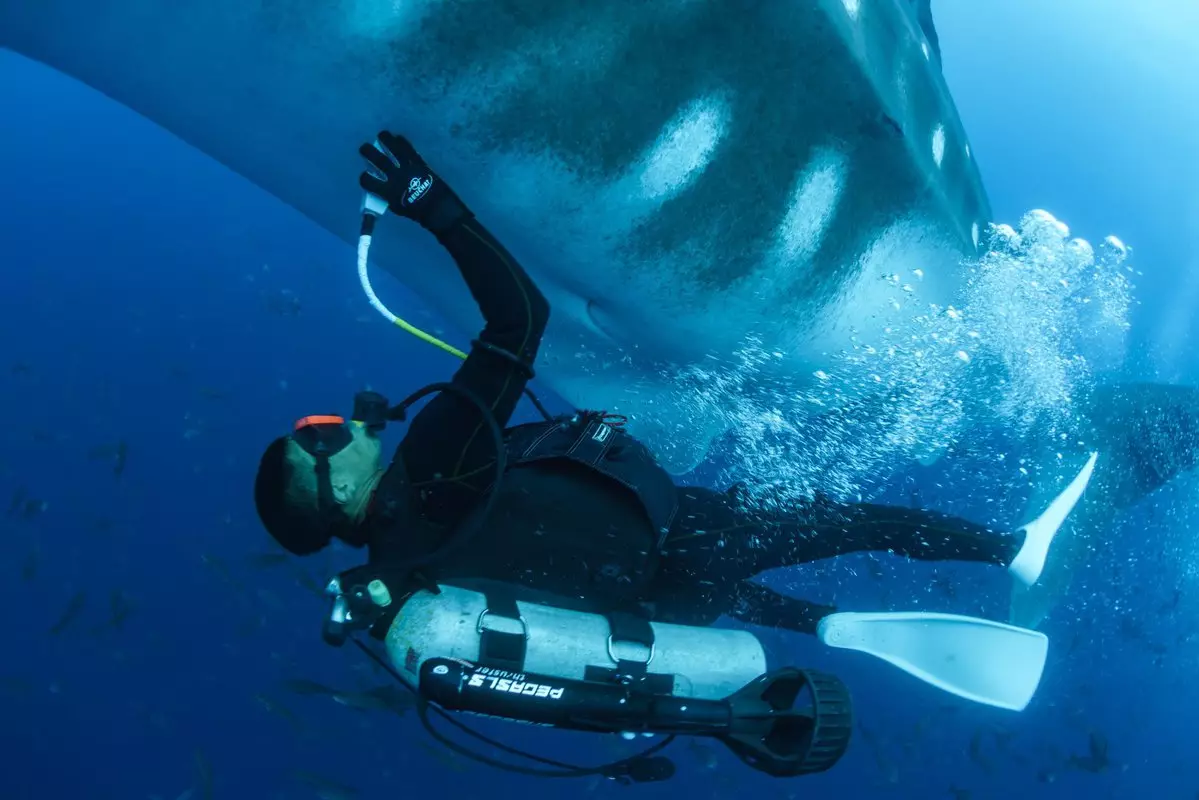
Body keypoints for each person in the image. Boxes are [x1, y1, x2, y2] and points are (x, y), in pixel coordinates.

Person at [253, 131, 1071, 645]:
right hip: (671, 541)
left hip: (654, 603)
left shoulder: (398, 565)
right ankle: (1013, 550)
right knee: (842, 523)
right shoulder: (428, 464)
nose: (332, 425)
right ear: (336, 490)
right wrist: (437, 209)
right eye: (318, 441)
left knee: (716, 574)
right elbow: (518, 323)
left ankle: (818, 624)